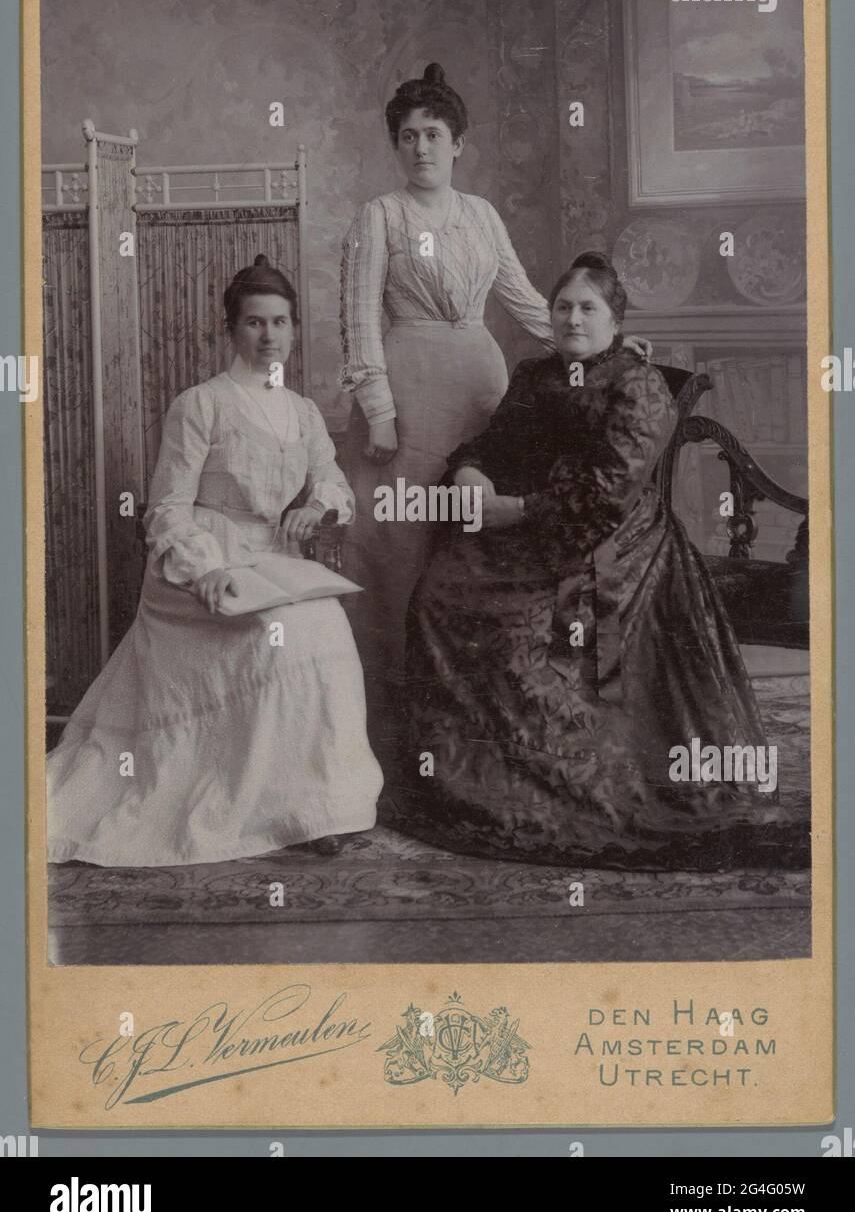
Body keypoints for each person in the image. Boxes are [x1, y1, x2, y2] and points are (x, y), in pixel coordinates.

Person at [383, 252, 808, 870]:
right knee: (441, 593)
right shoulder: (536, 377)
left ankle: (547, 778)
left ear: (614, 321)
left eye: (588, 308)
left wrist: (516, 510)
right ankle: (459, 771)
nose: (573, 319)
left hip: (610, 542)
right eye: (563, 307)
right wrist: (472, 470)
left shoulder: (638, 387)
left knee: (519, 630)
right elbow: (493, 441)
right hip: (530, 526)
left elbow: (608, 491)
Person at [338, 62, 649, 735]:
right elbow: (358, 317)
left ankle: (473, 702)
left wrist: (603, 345)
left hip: (479, 385)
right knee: (401, 536)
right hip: (408, 385)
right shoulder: (380, 216)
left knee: (473, 530)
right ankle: (393, 706)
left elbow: (529, 305)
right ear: (396, 146)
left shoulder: (480, 215)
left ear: (458, 144)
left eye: (433, 134)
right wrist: (379, 411)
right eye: (407, 136)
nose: (420, 148)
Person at [48, 255, 382, 868]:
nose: (269, 336)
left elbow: (332, 477)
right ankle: (258, 803)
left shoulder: (303, 411)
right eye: (254, 323)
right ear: (231, 330)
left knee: (326, 631)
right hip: (203, 565)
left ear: (295, 329)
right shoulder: (200, 405)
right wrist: (205, 571)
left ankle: (317, 806)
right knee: (276, 638)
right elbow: (167, 508)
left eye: (280, 322)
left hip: (276, 560)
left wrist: (320, 509)